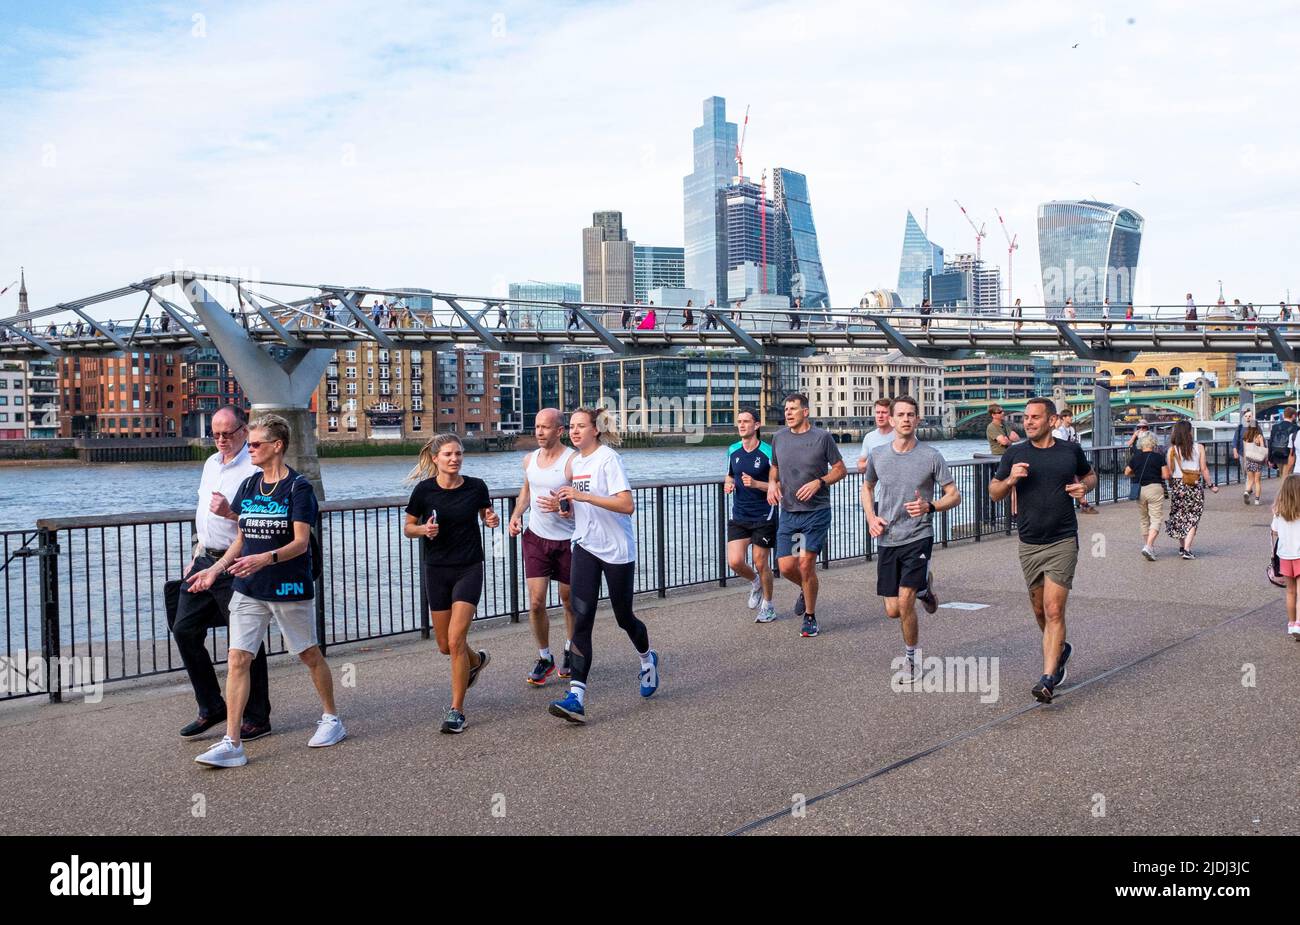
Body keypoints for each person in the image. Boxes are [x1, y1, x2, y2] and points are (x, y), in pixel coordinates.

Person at [188, 414, 343, 767]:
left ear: (277, 446)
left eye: (256, 444)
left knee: (308, 654)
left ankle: (332, 718)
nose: (250, 449)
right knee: (238, 658)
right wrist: (213, 569)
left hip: (287, 586)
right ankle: (233, 742)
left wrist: (266, 559)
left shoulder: (298, 488)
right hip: (248, 587)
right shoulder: (249, 486)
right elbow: (241, 539)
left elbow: (302, 543)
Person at [165, 406, 271, 740]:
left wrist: (229, 514)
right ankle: (212, 707)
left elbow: (261, 523)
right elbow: (202, 514)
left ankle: (257, 717)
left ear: (244, 429)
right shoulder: (211, 463)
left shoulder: (254, 469)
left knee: (246, 642)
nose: (221, 440)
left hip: (236, 564)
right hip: (203, 562)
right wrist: (197, 553)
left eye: (228, 433)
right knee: (184, 629)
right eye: (216, 434)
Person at [548, 407, 660, 723]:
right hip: (585, 546)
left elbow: (626, 505)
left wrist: (584, 498)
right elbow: (576, 506)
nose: (574, 431)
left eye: (581, 426)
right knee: (581, 619)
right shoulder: (576, 464)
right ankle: (576, 698)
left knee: (624, 617)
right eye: (571, 427)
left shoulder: (607, 459)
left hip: (616, 550)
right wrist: (562, 507)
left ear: (595, 429)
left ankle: (647, 659)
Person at [989, 397, 1096, 704]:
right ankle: (1061, 649)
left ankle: (1047, 678)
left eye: (1035, 417)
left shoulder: (1070, 451)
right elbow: (994, 492)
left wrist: (1084, 488)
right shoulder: (1015, 452)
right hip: (1029, 543)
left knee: (1053, 610)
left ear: (1051, 421)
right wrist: (1011, 479)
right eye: (1025, 417)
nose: (1029, 422)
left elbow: (1089, 475)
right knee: (1038, 610)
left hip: (1062, 539)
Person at [403, 433, 499, 733]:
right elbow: (408, 528)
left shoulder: (476, 486)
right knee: (445, 646)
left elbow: (485, 514)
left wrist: (491, 519)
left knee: (456, 640)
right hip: (437, 570)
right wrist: (423, 530)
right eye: (448, 455)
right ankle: (476, 660)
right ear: (435, 459)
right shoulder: (424, 491)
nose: (454, 459)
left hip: (469, 567)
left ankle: (456, 710)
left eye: (458, 454)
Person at [861, 396, 960, 683]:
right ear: (890, 420)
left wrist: (930, 506)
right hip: (888, 537)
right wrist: (871, 517)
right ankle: (924, 590)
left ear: (918, 420)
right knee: (893, 610)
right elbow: (866, 488)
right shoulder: (878, 455)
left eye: (911, 415)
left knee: (904, 603)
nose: (906, 419)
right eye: (900, 414)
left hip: (919, 535)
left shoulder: (931, 456)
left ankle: (912, 659)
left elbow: (954, 495)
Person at [766, 393, 848, 638]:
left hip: (816, 512)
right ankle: (805, 587)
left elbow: (840, 469)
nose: (788, 413)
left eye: (792, 409)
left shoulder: (822, 438)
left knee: (805, 564)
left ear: (805, 412)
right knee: (786, 566)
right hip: (789, 511)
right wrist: (772, 484)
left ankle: (810, 618)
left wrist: (819, 482)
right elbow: (775, 468)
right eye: (786, 409)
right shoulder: (778, 438)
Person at [507, 408, 577, 685]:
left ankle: (571, 650)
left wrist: (566, 508)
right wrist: (516, 515)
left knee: (568, 600)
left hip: (569, 540)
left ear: (559, 430)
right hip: (536, 537)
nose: (538, 432)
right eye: (536, 426)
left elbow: (584, 496)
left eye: (545, 427)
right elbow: (528, 490)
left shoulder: (573, 461)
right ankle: (545, 656)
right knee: (536, 602)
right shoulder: (529, 460)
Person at [723, 408, 779, 624]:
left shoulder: (768, 452)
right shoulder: (733, 450)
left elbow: (778, 486)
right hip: (740, 513)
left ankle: (768, 605)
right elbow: (729, 475)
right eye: (739, 421)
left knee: (760, 561)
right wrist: (728, 484)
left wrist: (756, 484)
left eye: (746, 421)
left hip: (763, 514)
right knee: (735, 561)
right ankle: (756, 583)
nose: (741, 425)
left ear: (757, 425)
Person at [1165, 418, 1219, 560]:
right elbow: (1204, 469)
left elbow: (1170, 471)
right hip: (1194, 485)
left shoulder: (1172, 450)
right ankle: (1188, 549)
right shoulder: (1199, 447)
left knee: (1179, 516)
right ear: (1189, 432)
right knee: (1193, 517)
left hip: (1178, 485)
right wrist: (1211, 485)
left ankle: (1182, 547)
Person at [1124, 432, 1170, 561]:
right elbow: (1166, 475)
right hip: (1155, 489)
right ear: (1154, 443)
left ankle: (1149, 546)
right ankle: (1149, 546)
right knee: (1155, 519)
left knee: (1144, 519)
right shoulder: (1158, 457)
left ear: (1141, 444)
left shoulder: (1135, 457)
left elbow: (1127, 472)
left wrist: (1137, 474)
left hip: (1140, 490)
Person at [1269, 475, 1300, 637]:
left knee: (1290, 591)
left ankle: (1291, 622)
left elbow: (1274, 530)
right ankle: (1299, 624)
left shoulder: (1279, 511)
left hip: (1285, 555)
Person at [1052, 410, 1097, 514]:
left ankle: (1082, 502)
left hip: (1073, 457)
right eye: (1069, 416)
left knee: (1077, 478)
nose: (1071, 418)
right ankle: (1083, 503)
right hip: (1063, 459)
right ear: (1063, 418)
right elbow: (1061, 445)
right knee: (1074, 478)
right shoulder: (1058, 431)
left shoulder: (1071, 429)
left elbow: (1074, 442)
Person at [856, 398, 895, 474]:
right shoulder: (869, 437)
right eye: (877, 412)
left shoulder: (902, 436)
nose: (880, 416)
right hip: (873, 485)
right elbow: (860, 467)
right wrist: (873, 460)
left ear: (891, 415)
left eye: (884, 412)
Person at [1241, 421, 1267, 505]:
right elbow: (1263, 448)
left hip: (1249, 460)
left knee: (1250, 480)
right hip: (1257, 461)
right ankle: (1256, 500)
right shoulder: (1259, 436)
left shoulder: (1246, 436)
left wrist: (1245, 462)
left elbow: (1245, 451)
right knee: (1257, 481)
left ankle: (1246, 492)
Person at [1270, 407, 1299, 482]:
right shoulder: (1296, 428)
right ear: (1293, 416)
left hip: (1277, 455)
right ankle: (1285, 493)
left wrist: (1270, 459)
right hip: (1289, 455)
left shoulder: (1275, 427)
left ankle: (1284, 492)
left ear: (1283, 415)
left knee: (1282, 475)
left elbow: (1271, 442)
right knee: (1289, 477)